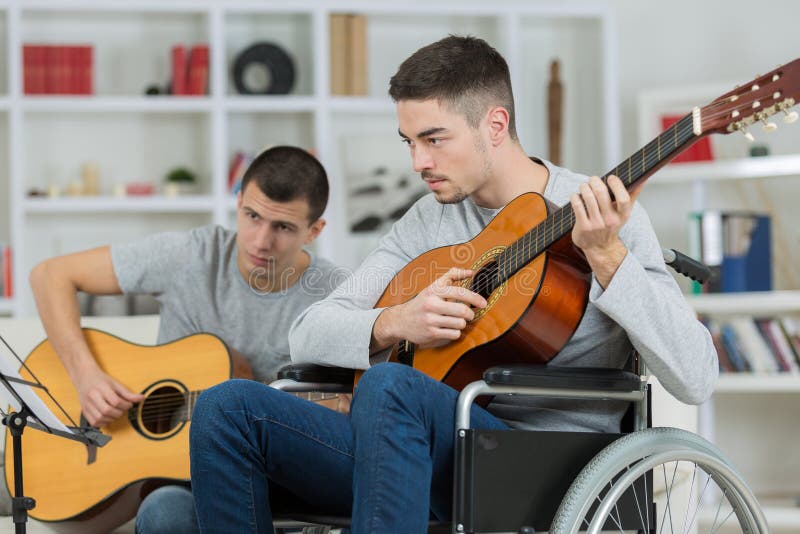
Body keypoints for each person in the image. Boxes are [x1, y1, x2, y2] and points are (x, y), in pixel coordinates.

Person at [189, 36, 718, 533]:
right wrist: (398, 321)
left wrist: (606, 256)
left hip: (545, 462)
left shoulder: (604, 213)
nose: (419, 162)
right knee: (224, 408)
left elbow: (695, 376)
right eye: (410, 142)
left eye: (434, 139)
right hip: (415, 449)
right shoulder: (426, 221)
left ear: (495, 124)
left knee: (388, 386)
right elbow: (307, 331)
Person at [28, 145, 343, 534]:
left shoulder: (334, 295)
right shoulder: (192, 255)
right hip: (179, 476)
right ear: (238, 201)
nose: (261, 241)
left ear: (314, 231)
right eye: (252, 216)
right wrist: (86, 377)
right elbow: (49, 275)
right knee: (164, 513)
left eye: (283, 227)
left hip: (274, 472)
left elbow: (350, 404)